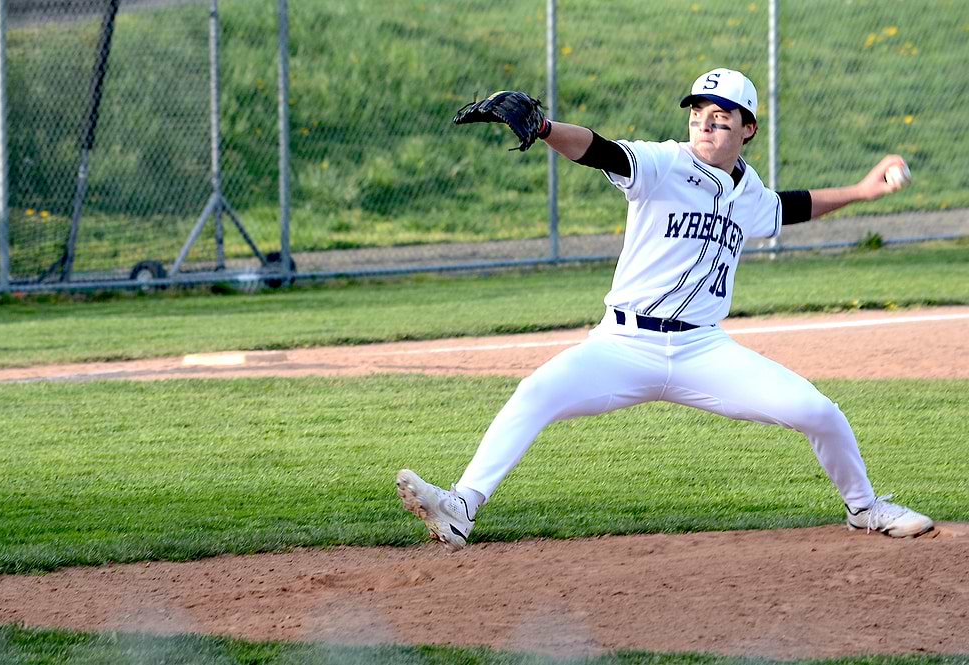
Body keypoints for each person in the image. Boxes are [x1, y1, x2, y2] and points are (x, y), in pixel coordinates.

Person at [396, 68, 933, 551]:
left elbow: (788, 207)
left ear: (748, 129)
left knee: (818, 412)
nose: (706, 124)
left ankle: (864, 509)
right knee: (536, 392)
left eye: (721, 118)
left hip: (703, 348)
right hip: (622, 345)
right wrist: (544, 129)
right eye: (699, 114)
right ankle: (462, 506)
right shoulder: (662, 164)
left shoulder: (748, 190)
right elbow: (600, 149)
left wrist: (863, 191)